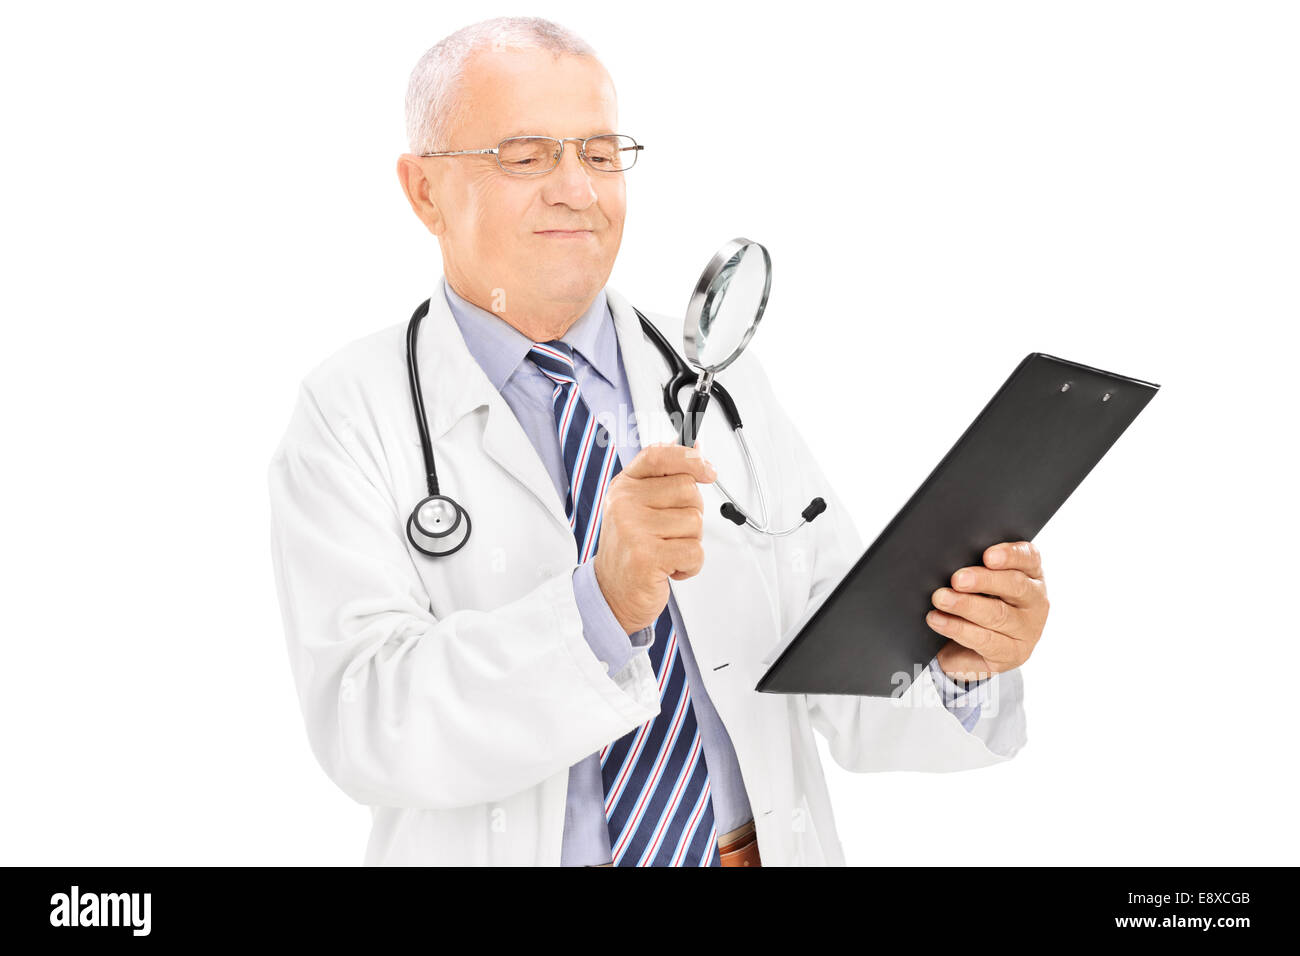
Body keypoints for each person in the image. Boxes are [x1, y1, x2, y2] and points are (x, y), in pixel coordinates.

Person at [266, 16, 1051, 867]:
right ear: (424, 191)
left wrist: (960, 660)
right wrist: (598, 605)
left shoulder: (724, 381)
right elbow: (366, 721)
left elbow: (836, 663)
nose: (577, 189)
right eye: (527, 156)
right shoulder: (350, 411)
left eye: (601, 153)